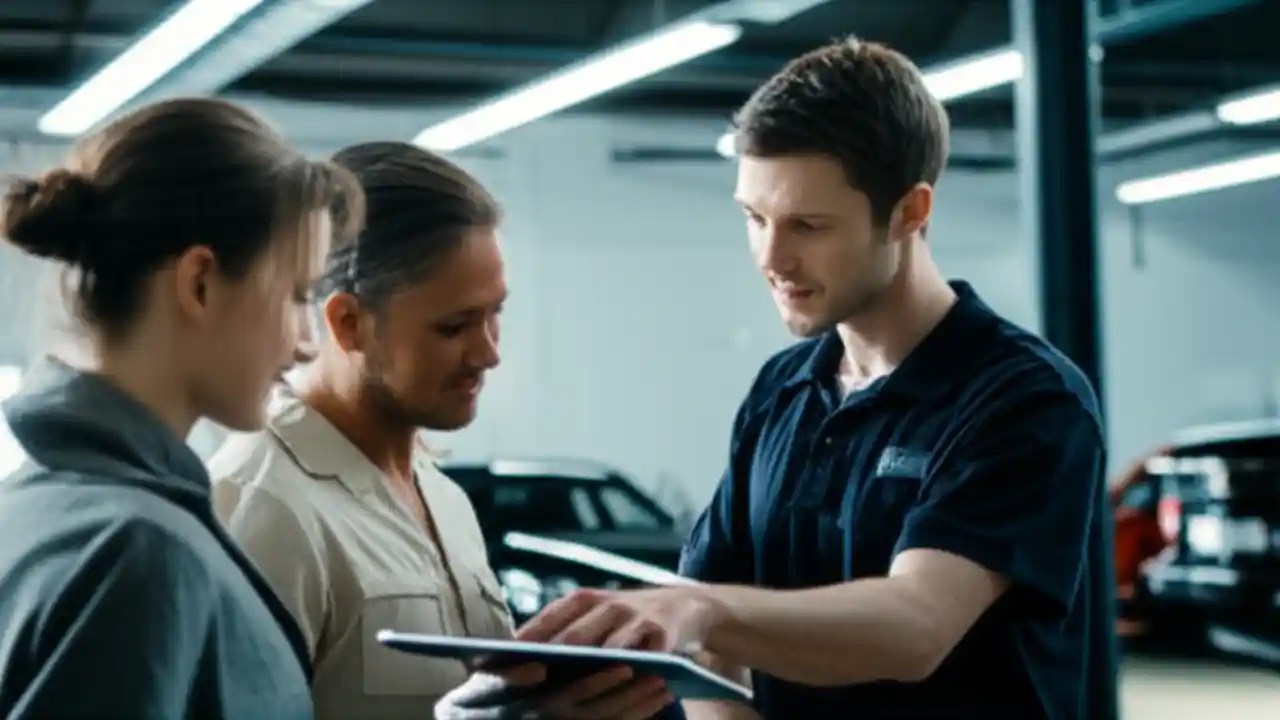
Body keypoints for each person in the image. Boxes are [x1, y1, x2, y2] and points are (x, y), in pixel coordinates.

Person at [441, 37, 1116, 720]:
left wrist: (702, 609)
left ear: (911, 212)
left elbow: (917, 625)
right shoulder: (782, 390)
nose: (772, 257)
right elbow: (715, 660)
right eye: (754, 218)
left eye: (808, 225)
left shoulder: (1023, 399)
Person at [207, 141, 675, 720]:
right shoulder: (262, 506)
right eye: (455, 327)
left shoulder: (443, 497)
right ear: (349, 323)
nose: (489, 353)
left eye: (495, 314)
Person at [0, 97, 362, 718]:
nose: (308, 343)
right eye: (297, 295)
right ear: (200, 284)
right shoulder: (141, 553)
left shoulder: (31, 501)